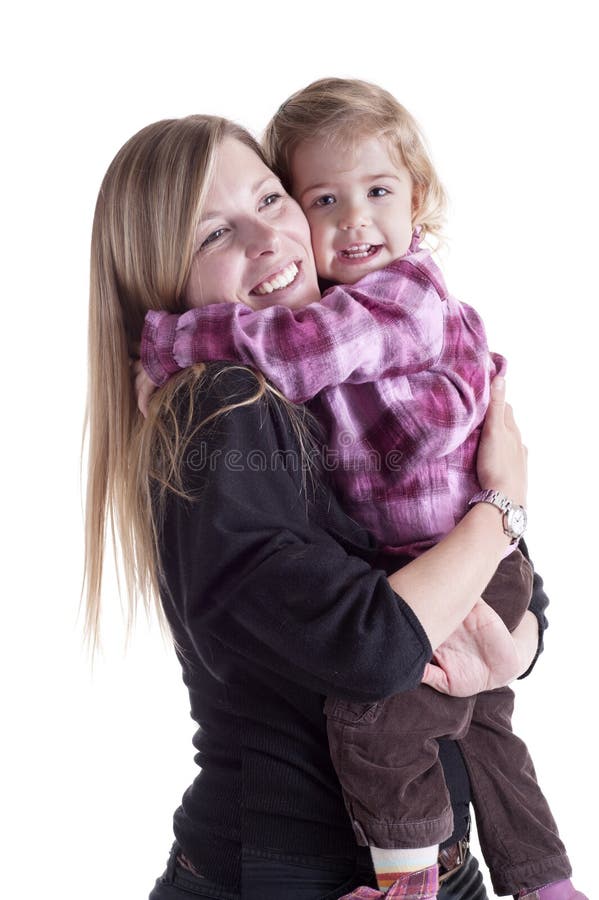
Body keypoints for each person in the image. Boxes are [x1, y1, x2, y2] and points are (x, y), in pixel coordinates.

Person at [135, 81, 586, 900]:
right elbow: (373, 645)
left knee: (492, 735)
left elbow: (506, 591)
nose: (272, 238)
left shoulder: (361, 338)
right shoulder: (225, 406)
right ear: (163, 271)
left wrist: (505, 646)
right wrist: (503, 507)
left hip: (428, 863)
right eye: (215, 233)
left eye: (269, 198)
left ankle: (543, 877)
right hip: (302, 870)